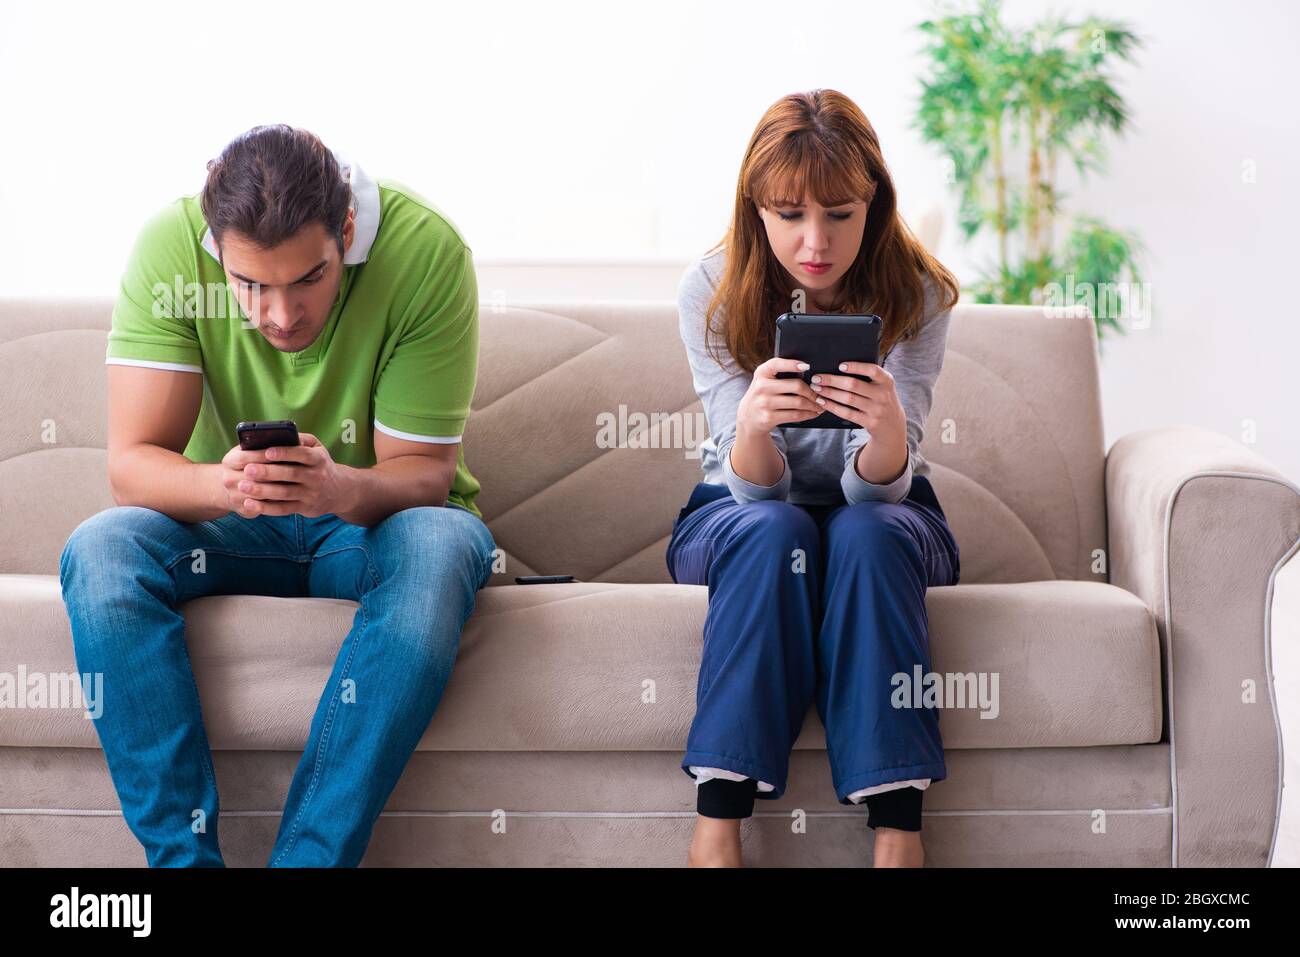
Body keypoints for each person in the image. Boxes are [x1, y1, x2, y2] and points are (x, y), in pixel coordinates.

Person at [58, 124, 497, 867]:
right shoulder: (169, 248)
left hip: (367, 527)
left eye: (309, 279)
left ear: (348, 231)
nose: (281, 316)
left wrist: (337, 486)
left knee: (441, 542)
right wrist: (219, 483)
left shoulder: (426, 251)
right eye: (251, 286)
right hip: (225, 524)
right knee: (100, 549)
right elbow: (133, 465)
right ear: (213, 248)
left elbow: (422, 475)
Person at [667, 90, 962, 868]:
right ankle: (716, 830)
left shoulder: (920, 292)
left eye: (839, 213)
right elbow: (754, 493)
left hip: (888, 509)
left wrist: (889, 431)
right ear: (755, 208)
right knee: (777, 527)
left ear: (875, 202)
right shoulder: (710, 289)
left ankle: (899, 834)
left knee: (863, 531)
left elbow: (880, 494)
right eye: (790, 214)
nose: (815, 241)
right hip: (740, 504)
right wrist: (758, 426)